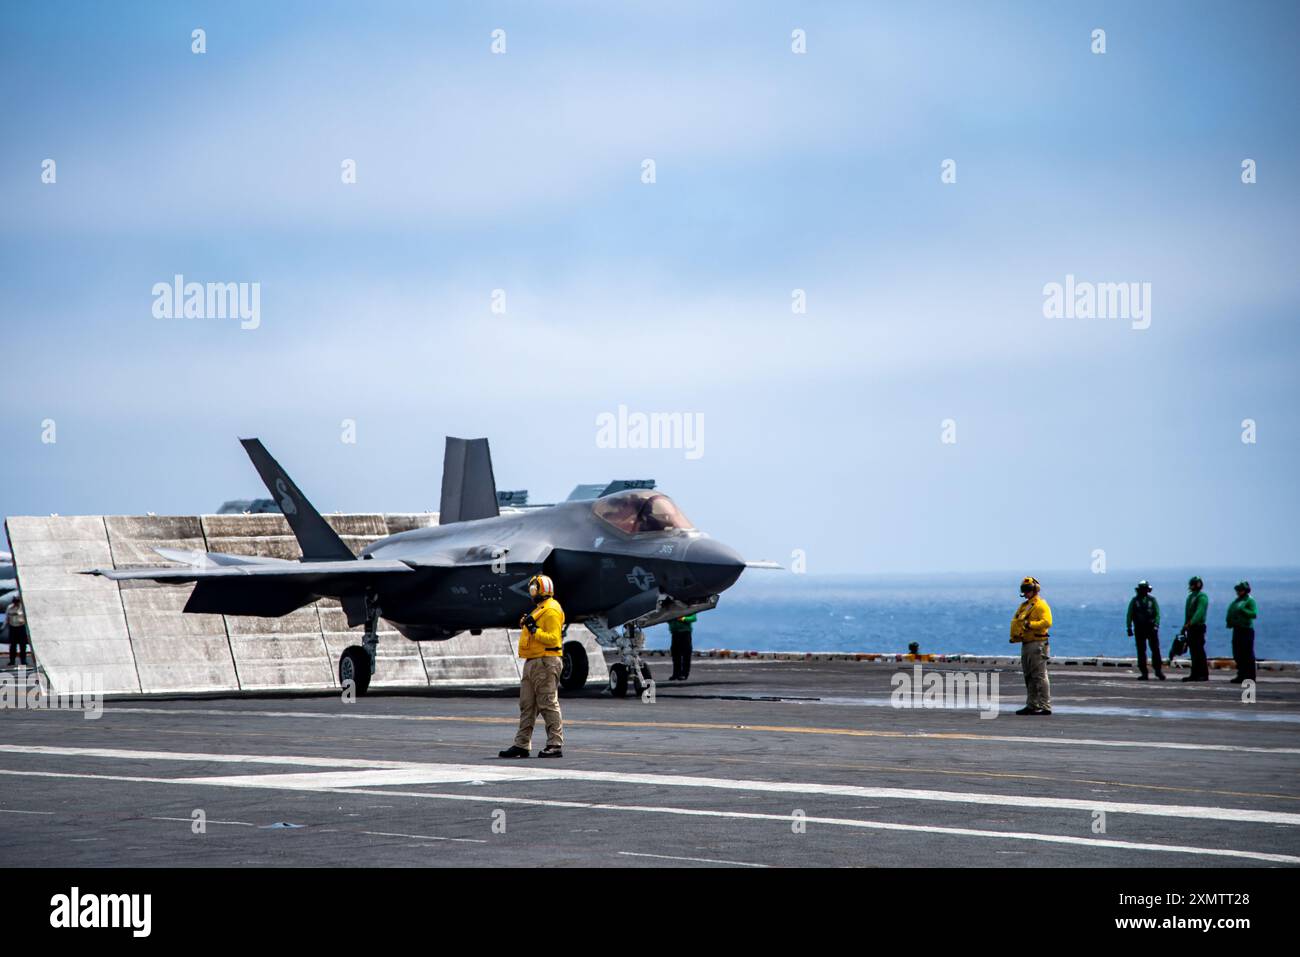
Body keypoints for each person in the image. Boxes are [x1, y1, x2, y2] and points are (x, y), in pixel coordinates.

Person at [499, 575, 565, 758]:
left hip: (545, 661)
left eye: (533, 589)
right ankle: (521, 745)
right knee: (527, 705)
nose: (531, 592)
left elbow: (553, 639)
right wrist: (528, 625)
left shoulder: (551, 610)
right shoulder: (540, 610)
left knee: (548, 703)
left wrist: (534, 629)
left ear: (540, 590)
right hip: (533, 661)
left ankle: (555, 744)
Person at [1010, 576, 1052, 715]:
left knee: (1039, 675)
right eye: (1024, 590)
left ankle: (1045, 705)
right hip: (1026, 643)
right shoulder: (1026, 606)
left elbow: (1047, 622)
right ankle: (1032, 704)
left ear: (1035, 590)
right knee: (1028, 675)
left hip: (1038, 643)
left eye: (1028, 590)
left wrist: (1031, 625)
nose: (1026, 592)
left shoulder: (1041, 605)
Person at [1126, 580, 1164, 680]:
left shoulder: (1152, 600)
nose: (1143, 591)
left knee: (1155, 650)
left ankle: (1158, 670)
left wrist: (1156, 625)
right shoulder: (1134, 601)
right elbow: (1129, 614)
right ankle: (1144, 672)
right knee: (1141, 651)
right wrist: (1129, 627)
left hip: (1151, 629)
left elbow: (1157, 614)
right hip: (1139, 629)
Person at [1177, 576, 1209, 682]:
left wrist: (1191, 622)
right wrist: (1185, 626)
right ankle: (1194, 674)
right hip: (1190, 627)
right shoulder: (1191, 597)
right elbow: (1188, 613)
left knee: (1199, 651)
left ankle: (1203, 674)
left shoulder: (1202, 597)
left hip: (1198, 627)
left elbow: (1199, 612)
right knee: (1193, 652)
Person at [1226, 581, 1258, 685]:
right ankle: (1241, 674)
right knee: (1237, 653)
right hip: (1237, 629)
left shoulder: (1250, 601)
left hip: (1246, 630)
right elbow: (1231, 611)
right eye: (1238, 590)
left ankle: (1250, 676)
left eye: (1240, 590)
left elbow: (1254, 614)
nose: (1238, 592)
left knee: (1247, 654)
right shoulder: (1236, 601)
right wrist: (1229, 621)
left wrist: (1243, 610)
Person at [668, 613, 697, 681]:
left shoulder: (687, 608)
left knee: (686, 654)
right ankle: (676, 674)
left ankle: (684, 674)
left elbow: (693, 618)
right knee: (675, 654)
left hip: (685, 633)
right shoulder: (672, 609)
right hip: (675, 633)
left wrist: (683, 618)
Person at [6, 596, 28, 667]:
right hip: (12, 627)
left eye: (17, 602)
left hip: (21, 627)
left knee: (23, 645)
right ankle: (12, 660)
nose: (16, 603)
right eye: (15, 602)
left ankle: (23, 660)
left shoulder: (23, 607)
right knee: (12, 645)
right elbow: (7, 617)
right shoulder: (9, 607)